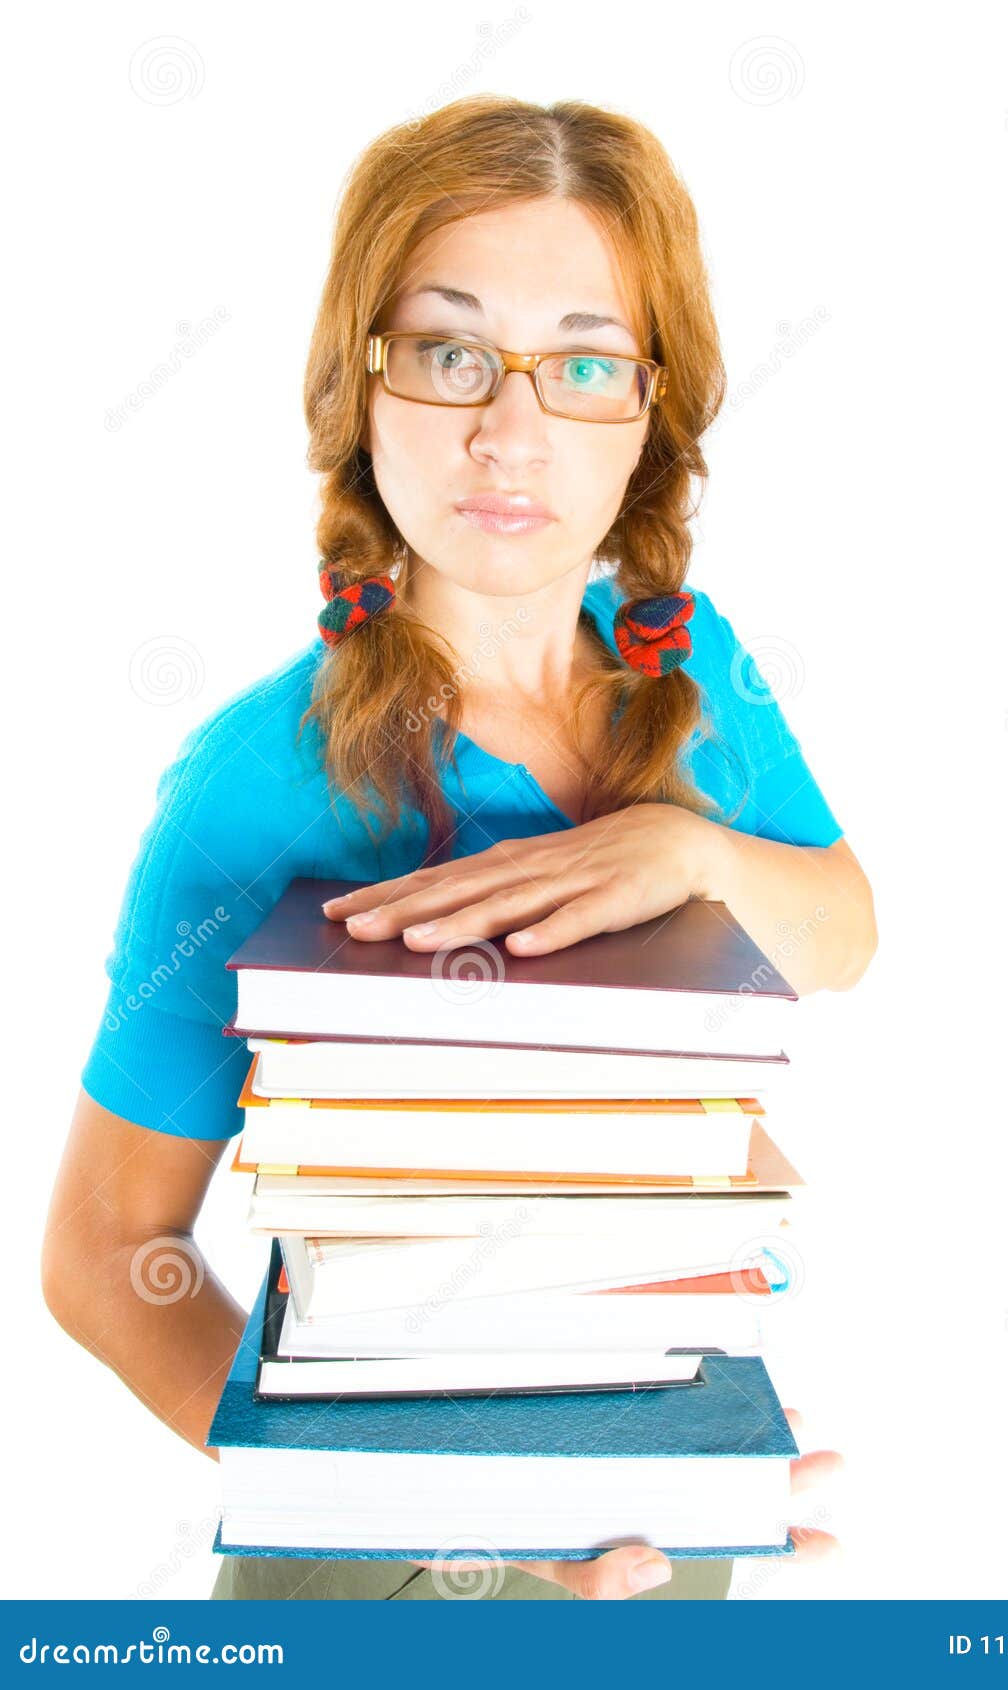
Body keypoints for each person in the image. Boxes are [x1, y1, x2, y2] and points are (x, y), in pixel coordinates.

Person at [42, 94, 876, 1602]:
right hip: (375, 1574)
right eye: (448, 352)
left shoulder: (691, 663)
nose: (510, 430)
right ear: (360, 386)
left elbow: (843, 932)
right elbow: (107, 1249)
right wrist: (423, 1511)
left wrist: (689, 849)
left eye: (580, 362)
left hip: (664, 1500)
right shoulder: (253, 784)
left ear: (651, 410)